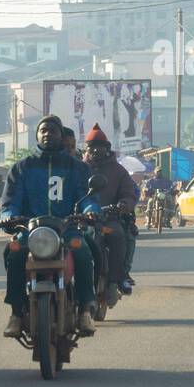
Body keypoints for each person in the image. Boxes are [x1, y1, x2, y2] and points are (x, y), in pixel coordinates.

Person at [0, 115, 101, 337]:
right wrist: (8, 216)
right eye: (43, 130)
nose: (47, 134)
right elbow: (9, 202)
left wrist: (91, 211)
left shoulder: (77, 168)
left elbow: (87, 198)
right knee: (14, 254)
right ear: (36, 135)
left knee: (83, 252)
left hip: (67, 228)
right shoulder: (21, 168)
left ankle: (85, 310)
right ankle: (16, 313)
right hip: (31, 230)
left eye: (52, 131)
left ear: (61, 136)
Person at [82, 124, 140, 294]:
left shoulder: (118, 170)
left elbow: (129, 194)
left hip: (109, 218)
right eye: (91, 147)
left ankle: (118, 278)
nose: (95, 151)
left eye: (99, 147)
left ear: (106, 148)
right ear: (86, 149)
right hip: (83, 220)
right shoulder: (79, 169)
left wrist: (123, 204)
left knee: (118, 236)